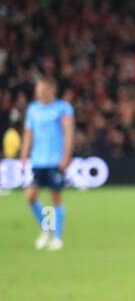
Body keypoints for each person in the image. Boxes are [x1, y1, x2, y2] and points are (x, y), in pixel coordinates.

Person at [21, 77, 75, 250]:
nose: (39, 91)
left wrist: (66, 156)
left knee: (56, 198)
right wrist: (24, 153)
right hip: (38, 160)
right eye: (38, 89)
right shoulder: (33, 109)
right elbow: (28, 132)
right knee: (30, 196)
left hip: (55, 160)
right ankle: (48, 228)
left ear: (51, 89)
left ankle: (57, 238)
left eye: (41, 88)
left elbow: (69, 133)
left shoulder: (63, 108)